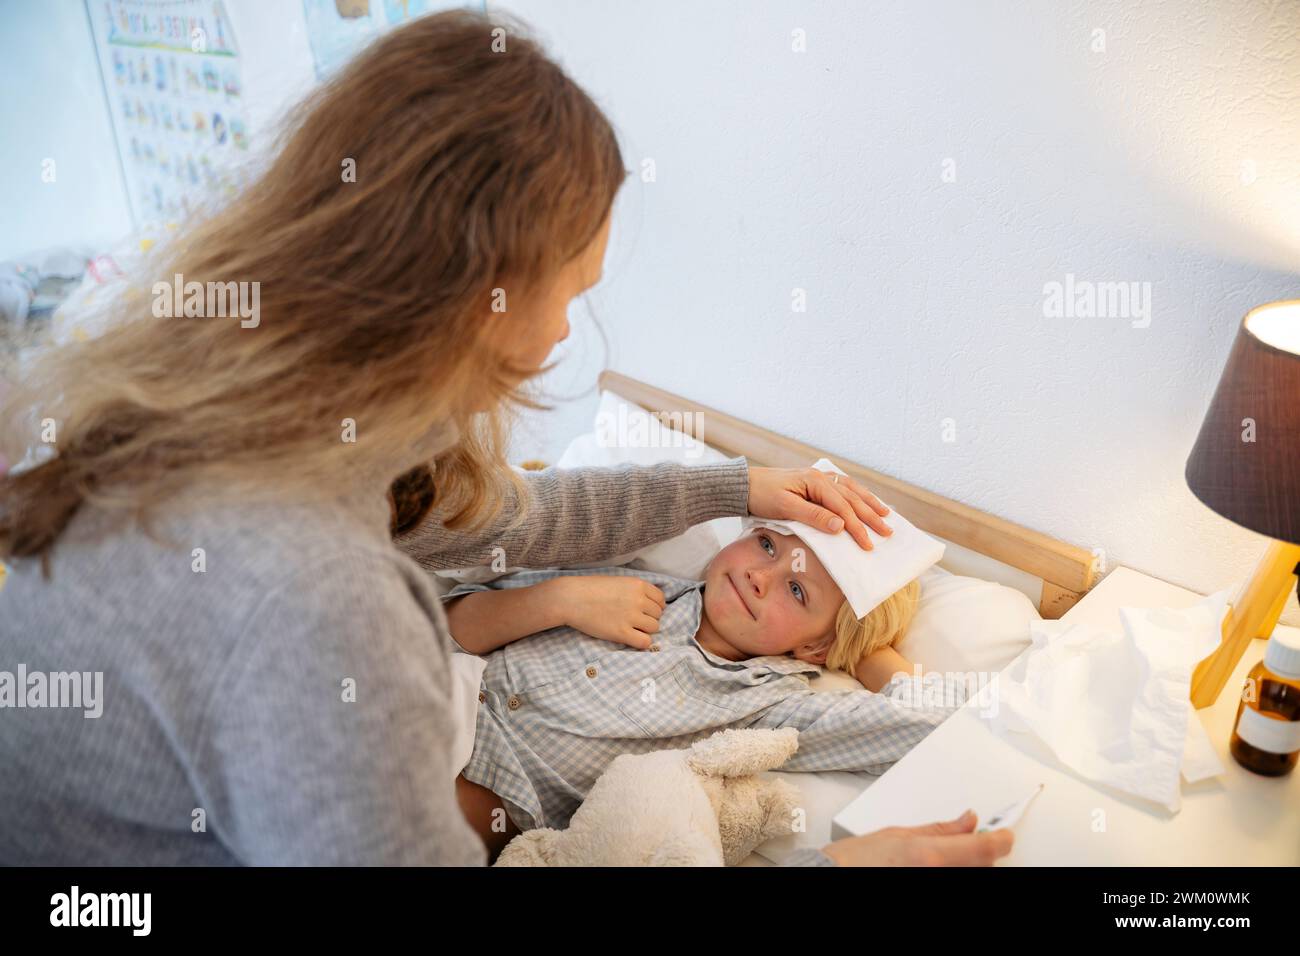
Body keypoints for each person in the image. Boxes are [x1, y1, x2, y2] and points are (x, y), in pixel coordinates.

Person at [0, 10, 1008, 867]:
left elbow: (522, 515)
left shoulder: (240, 421)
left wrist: (736, 489)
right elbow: (504, 547)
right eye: (570, 291)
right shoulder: (318, 596)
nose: (567, 331)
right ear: (479, 295)